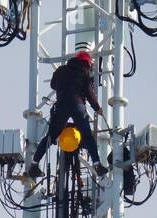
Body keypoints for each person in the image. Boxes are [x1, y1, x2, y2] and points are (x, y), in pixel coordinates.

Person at [26, 49, 108, 180]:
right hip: (77, 105)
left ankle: (34, 165)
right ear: (87, 63)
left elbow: (53, 85)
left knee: (51, 136)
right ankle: (97, 165)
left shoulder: (61, 70)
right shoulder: (84, 72)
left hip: (61, 105)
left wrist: (64, 85)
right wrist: (97, 108)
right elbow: (88, 92)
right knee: (87, 135)